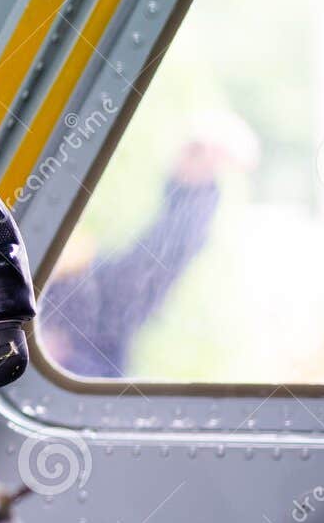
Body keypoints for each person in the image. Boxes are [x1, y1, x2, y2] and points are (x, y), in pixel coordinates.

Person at [37, 110, 260, 378]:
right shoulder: (173, 213)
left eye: (194, 151)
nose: (179, 158)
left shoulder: (184, 225)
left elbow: (132, 285)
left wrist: (61, 328)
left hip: (87, 348)